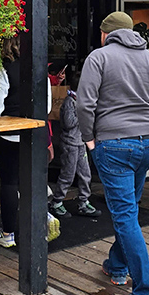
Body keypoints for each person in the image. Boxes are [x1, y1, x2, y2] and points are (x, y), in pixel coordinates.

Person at [78, 11, 149, 295]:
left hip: (113, 145)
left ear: (107, 34)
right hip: (145, 144)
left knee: (125, 217)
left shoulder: (99, 57)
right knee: (129, 209)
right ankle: (116, 266)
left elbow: (84, 103)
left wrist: (90, 140)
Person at [0, 36, 59, 248]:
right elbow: (46, 107)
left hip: (9, 134)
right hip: (34, 134)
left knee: (10, 183)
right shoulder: (39, 71)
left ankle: (8, 233)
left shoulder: (3, 69)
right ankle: (42, 222)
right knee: (32, 180)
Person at [49, 69, 101, 219]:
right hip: (70, 143)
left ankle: (84, 201)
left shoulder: (81, 102)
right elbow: (69, 123)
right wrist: (82, 113)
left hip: (81, 143)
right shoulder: (69, 102)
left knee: (86, 174)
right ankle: (57, 201)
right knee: (68, 174)